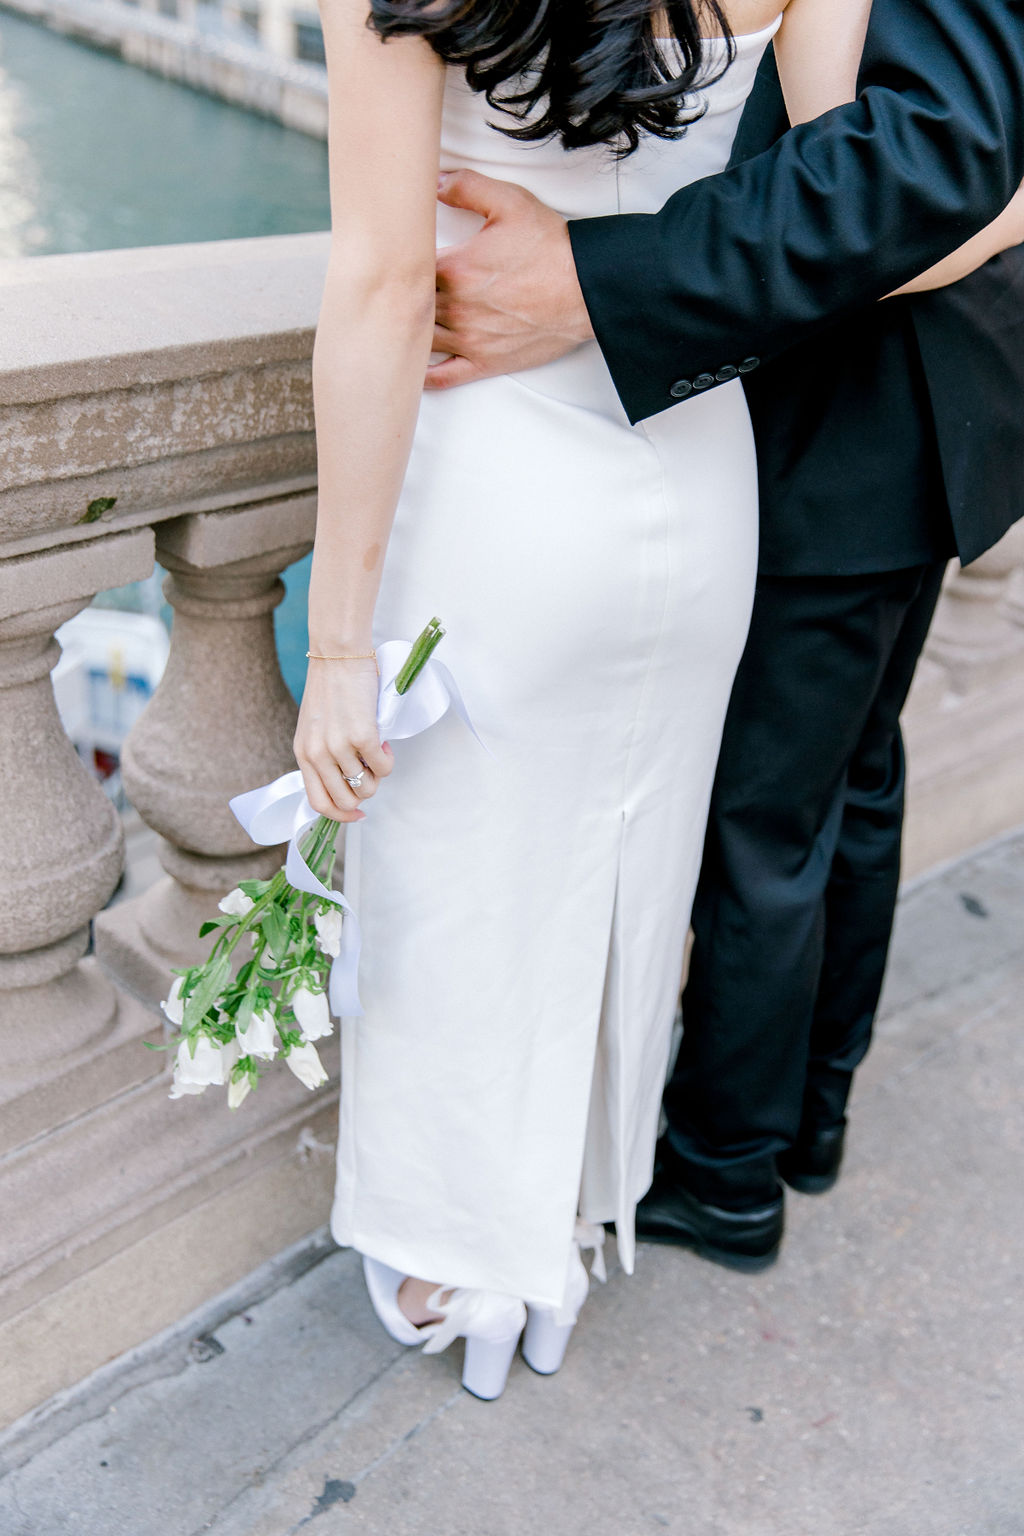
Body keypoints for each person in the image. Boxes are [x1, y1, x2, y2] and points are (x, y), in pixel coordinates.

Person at [294, 0, 1022, 1402]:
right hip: (694, 462)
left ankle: (459, 1260)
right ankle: (573, 1230)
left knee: (463, 869)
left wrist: (338, 652)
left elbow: (382, 285)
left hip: (497, 456)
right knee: (630, 858)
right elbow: (875, 184)